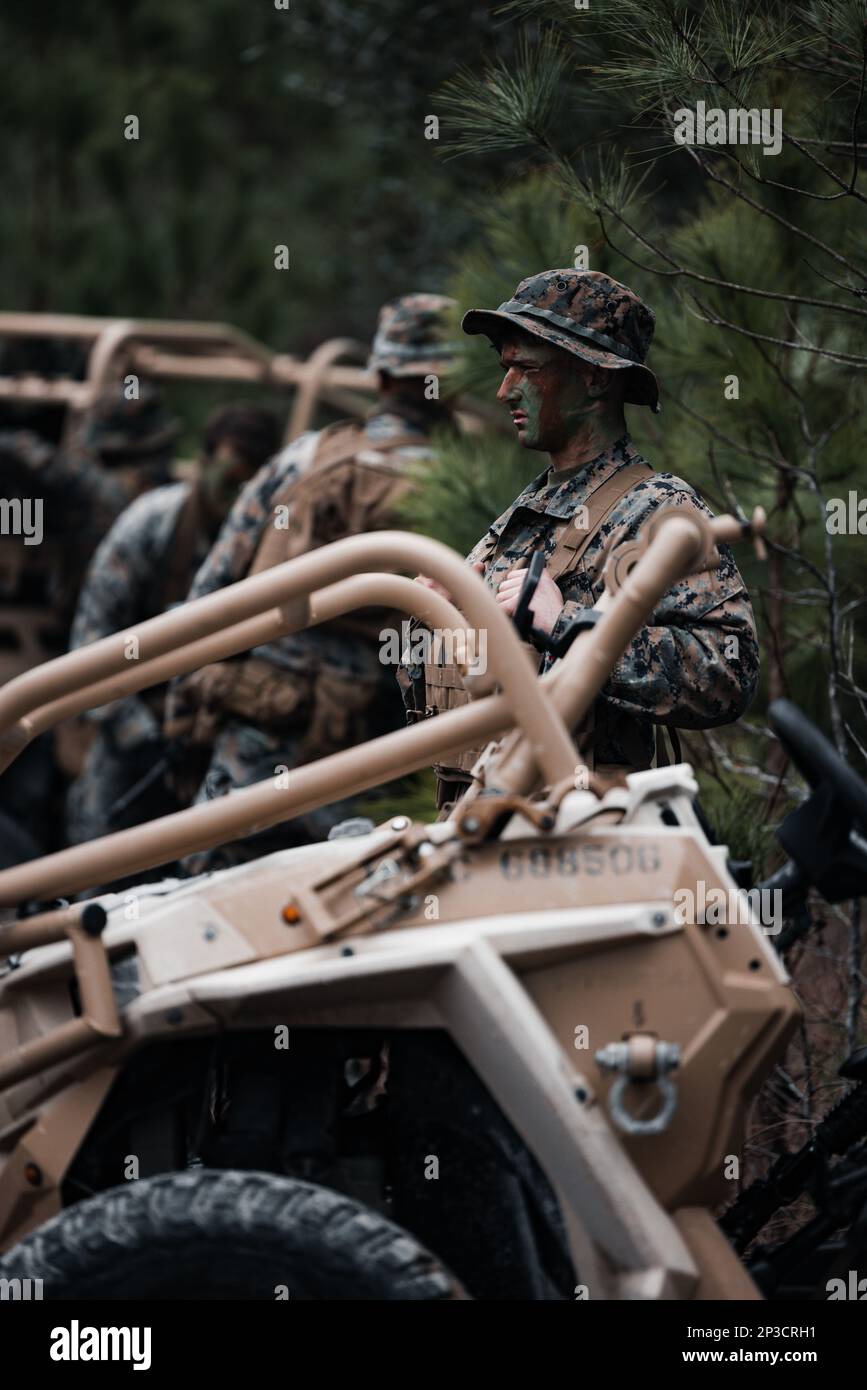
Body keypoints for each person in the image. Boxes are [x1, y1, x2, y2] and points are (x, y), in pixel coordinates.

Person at [399, 269, 759, 811]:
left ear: (595, 378)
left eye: (527, 368)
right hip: (477, 838)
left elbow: (728, 672)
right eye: (505, 368)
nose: (504, 390)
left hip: (581, 845)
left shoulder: (660, 512)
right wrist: (430, 627)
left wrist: (567, 628)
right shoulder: (521, 516)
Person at [163, 293, 458, 872]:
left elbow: (213, 590)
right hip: (380, 745)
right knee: (363, 893)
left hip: (263, 722)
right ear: (455, 387)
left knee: (208, 892)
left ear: (378, 374)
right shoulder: (463, 484)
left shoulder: (308, 457)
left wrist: (185, 715)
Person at [66, 402, 282, 849]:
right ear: (202, 464)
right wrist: (144, 736)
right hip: (135, 732)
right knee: (99, 859)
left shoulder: (278, 544)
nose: (238, 499)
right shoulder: (151, 525)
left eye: (252, 486)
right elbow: (90, 644)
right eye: (229, 479)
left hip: (226, 740)